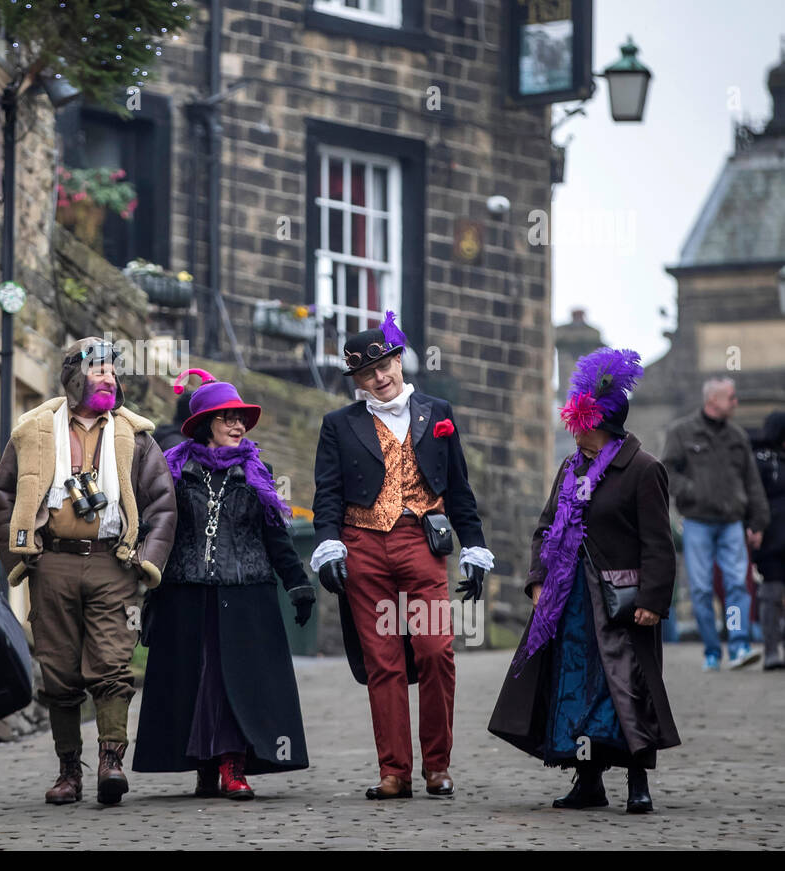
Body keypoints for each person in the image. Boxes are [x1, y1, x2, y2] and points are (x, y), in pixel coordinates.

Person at [489, 348, 680, 813]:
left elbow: (659, 543)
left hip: (621, 601)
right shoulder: (570, 466)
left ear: (606, 425)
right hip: (568, 600)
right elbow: (544, 527)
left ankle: (639, 785)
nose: (576, 433)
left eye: (584, 426)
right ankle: (588, 782)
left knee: (626, 690)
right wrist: (537, 581)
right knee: (574, 687)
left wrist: (653, 600)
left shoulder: (644, 469)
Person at [311, 313, 492, 800]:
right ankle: (394, 772)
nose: (381, 378)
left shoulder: (437, 413)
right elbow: (326, 493)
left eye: (386, 365)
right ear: (358, 380)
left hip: (420, 542)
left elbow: (459, 489)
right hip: (363, 546)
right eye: (368, 374)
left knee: (436, 650)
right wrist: (327, 543)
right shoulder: (338, 425)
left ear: (398, 361)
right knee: (383, 662)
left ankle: (438, 765)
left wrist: (473, 545)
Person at [0, 337, 177, 805]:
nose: (109, 379)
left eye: (114, 372)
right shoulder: (32, 431)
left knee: (113, 662)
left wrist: (147, 560)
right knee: (57, 670)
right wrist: (19, 555)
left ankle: (111, 762)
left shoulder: (136, 436)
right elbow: (3, 496)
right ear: (73, 376)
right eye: (99, 371)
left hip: (113, 563)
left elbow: (162, 503)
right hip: (51, 563)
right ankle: (69, 771)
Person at [132, 369, 313, 798]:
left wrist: (298, 583)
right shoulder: (172, 471)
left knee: (235, 682)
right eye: (227, 418)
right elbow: (159, 533)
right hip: (185, 592)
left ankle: (233, 765)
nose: (238, 426)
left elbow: (275, 536)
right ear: (204, 425)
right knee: (196, 682)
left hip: (245, 592)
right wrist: (148, 588)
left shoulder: (257, 471)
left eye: (241, 419)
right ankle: (204, 763)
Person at [662, 377, 770, 670]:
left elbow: (752, 481)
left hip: (732, 522)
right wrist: (692, 491)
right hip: (697, 523)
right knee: (701, 589)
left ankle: (738, 645)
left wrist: (758, 521)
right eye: (731, 398)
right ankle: (712, 650)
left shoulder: (737, 436)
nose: (736, 402)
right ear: (713, 401)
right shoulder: (682, 432)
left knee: (737, 585)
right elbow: (666, 472)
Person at [752, 410, 785, 670]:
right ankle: (772, 651)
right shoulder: (759, 459)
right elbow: (754, 496)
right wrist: (754, 527)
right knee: (771, 593)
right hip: (771, 536)